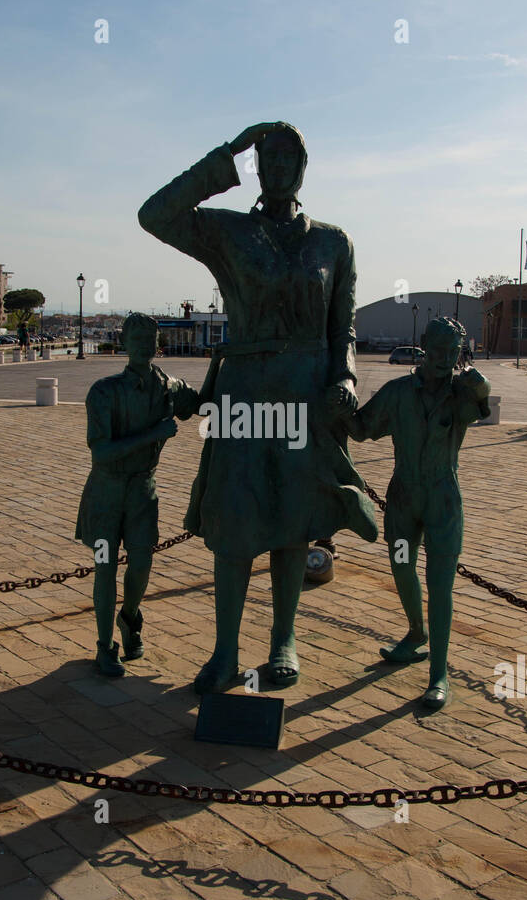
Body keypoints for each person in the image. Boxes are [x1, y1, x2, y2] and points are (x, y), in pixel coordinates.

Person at [138, 120, 377, 693]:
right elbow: (155, 215)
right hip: (244, 391)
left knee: (294, 519)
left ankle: (283, 643)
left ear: (302, 170)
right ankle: (224, 653)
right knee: (236, 518)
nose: (275, 170)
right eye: (264, 161)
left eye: (286, 160)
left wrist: (343, 376)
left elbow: (341, 327)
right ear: (256, 168)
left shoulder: (333, 242)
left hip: (305, 392)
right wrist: (227, 153)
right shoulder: (228, 233)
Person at [343, 317, 490, 710]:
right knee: (402, 565)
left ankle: (438, 673)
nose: (444, 360)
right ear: (424, 347)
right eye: (439, 351)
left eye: (453, 354)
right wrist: (339, 403)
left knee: (440, 585)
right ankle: (415, 634)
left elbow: (481, 404)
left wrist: (481, 385)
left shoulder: (460, 394)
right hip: (405, 498)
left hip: (443, 499)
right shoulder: (397, 392)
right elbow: (360, 429)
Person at [75, 313, 201, 677]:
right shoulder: (104, 391)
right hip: (105, 492)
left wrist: (228, 365)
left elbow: (202, 403)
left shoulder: (169, 387)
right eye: (137, 338)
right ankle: (105, 646)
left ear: (157, 344)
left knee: (142, 563)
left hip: (143, 490)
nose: (145, 344)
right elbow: (100, 453)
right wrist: (153, 433)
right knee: (105, 567)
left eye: (151, 338)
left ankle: (129, 617)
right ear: (125, 343)